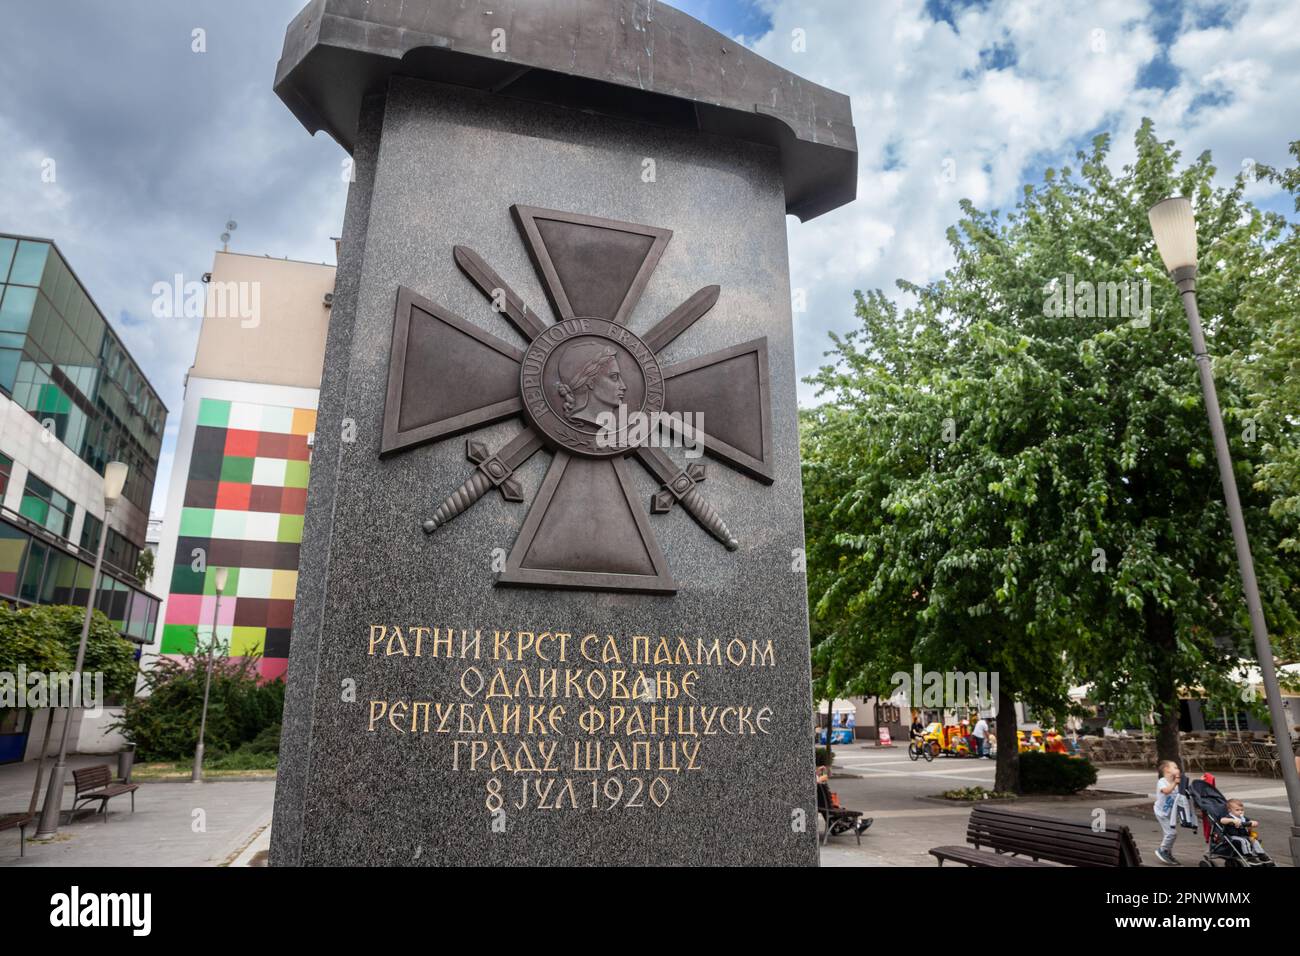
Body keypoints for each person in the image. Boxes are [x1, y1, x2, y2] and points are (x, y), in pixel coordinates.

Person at [1153, 760, 1181, 865]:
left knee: (1171, 834)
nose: (1178, 769)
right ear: (1166, 770)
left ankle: (1167, 852)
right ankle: (1162, 850)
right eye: (1175, 767)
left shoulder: (1176, 784)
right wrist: (1175, 783)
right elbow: (1166, 791)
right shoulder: (1162, 781)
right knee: (1171, 833)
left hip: (1170, 814)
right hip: (1161, 812)